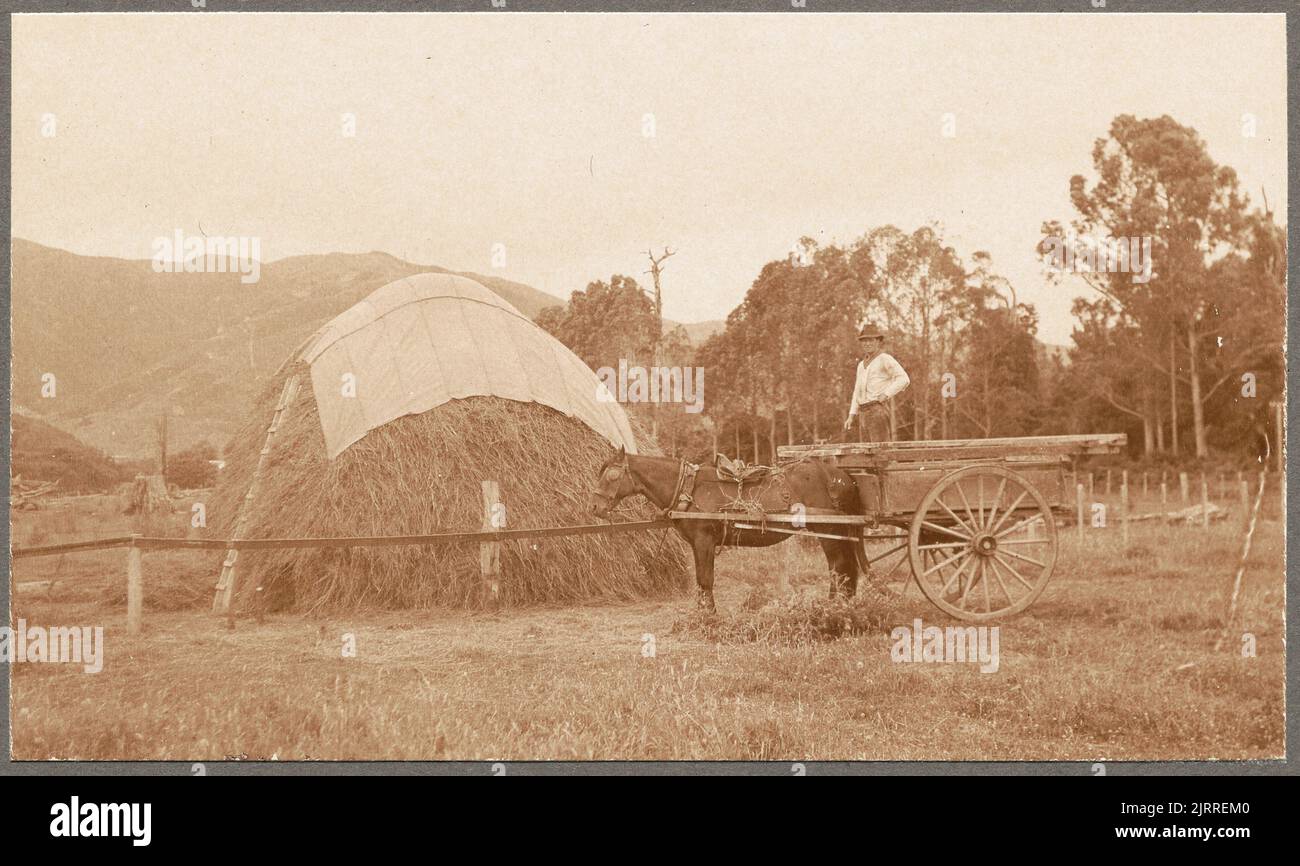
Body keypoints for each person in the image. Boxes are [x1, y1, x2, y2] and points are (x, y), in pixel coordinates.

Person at [843, 324, 909, 442]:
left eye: (870, 340)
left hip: (877, 410)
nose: (867, 343)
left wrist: (886, 394)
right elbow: (857, 392)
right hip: (863, 413)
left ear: (878, 341)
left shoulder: (884, 358)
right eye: (864, 341)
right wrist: (851, 415)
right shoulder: (861, 365)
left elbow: (903, 378)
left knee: (881, 453)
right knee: (867, 454)